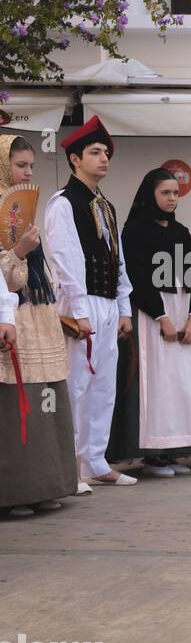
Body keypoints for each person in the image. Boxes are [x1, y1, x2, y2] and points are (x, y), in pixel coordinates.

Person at [43, 116, 137, 487]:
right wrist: (80, 312)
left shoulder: (107, 206)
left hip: (108, 303)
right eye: (95, 152)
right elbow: (66, 259)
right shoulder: (63, 203)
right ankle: (69, 465)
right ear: (74, 159)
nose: (104, 159)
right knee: (76, 385)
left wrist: (124, 307)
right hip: (80, 304)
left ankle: (95, 461)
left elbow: (119, 258)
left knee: (103, 386)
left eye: (106, 153)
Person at [108, 167, 191, 477]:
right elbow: (136, 278)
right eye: (165, 193)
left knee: (183, 383)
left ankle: (172, 450)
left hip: (181, 312)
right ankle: (152, 454)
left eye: (175, 193)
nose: (172, 198)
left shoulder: (180, 231)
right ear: (150, 195)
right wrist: (162, 317)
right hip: (152, 316)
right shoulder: (135, 231)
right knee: (158, 383)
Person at [0, 133, 78, 515]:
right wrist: (18, 252)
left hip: (38, 317)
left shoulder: (24, 209)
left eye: (31, 165)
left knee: (47, 397)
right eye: (19, 165)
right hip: (11, 318)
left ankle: (50, 484)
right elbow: (6, 277)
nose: (27, 172)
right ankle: (16, 492)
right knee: (17, 406)